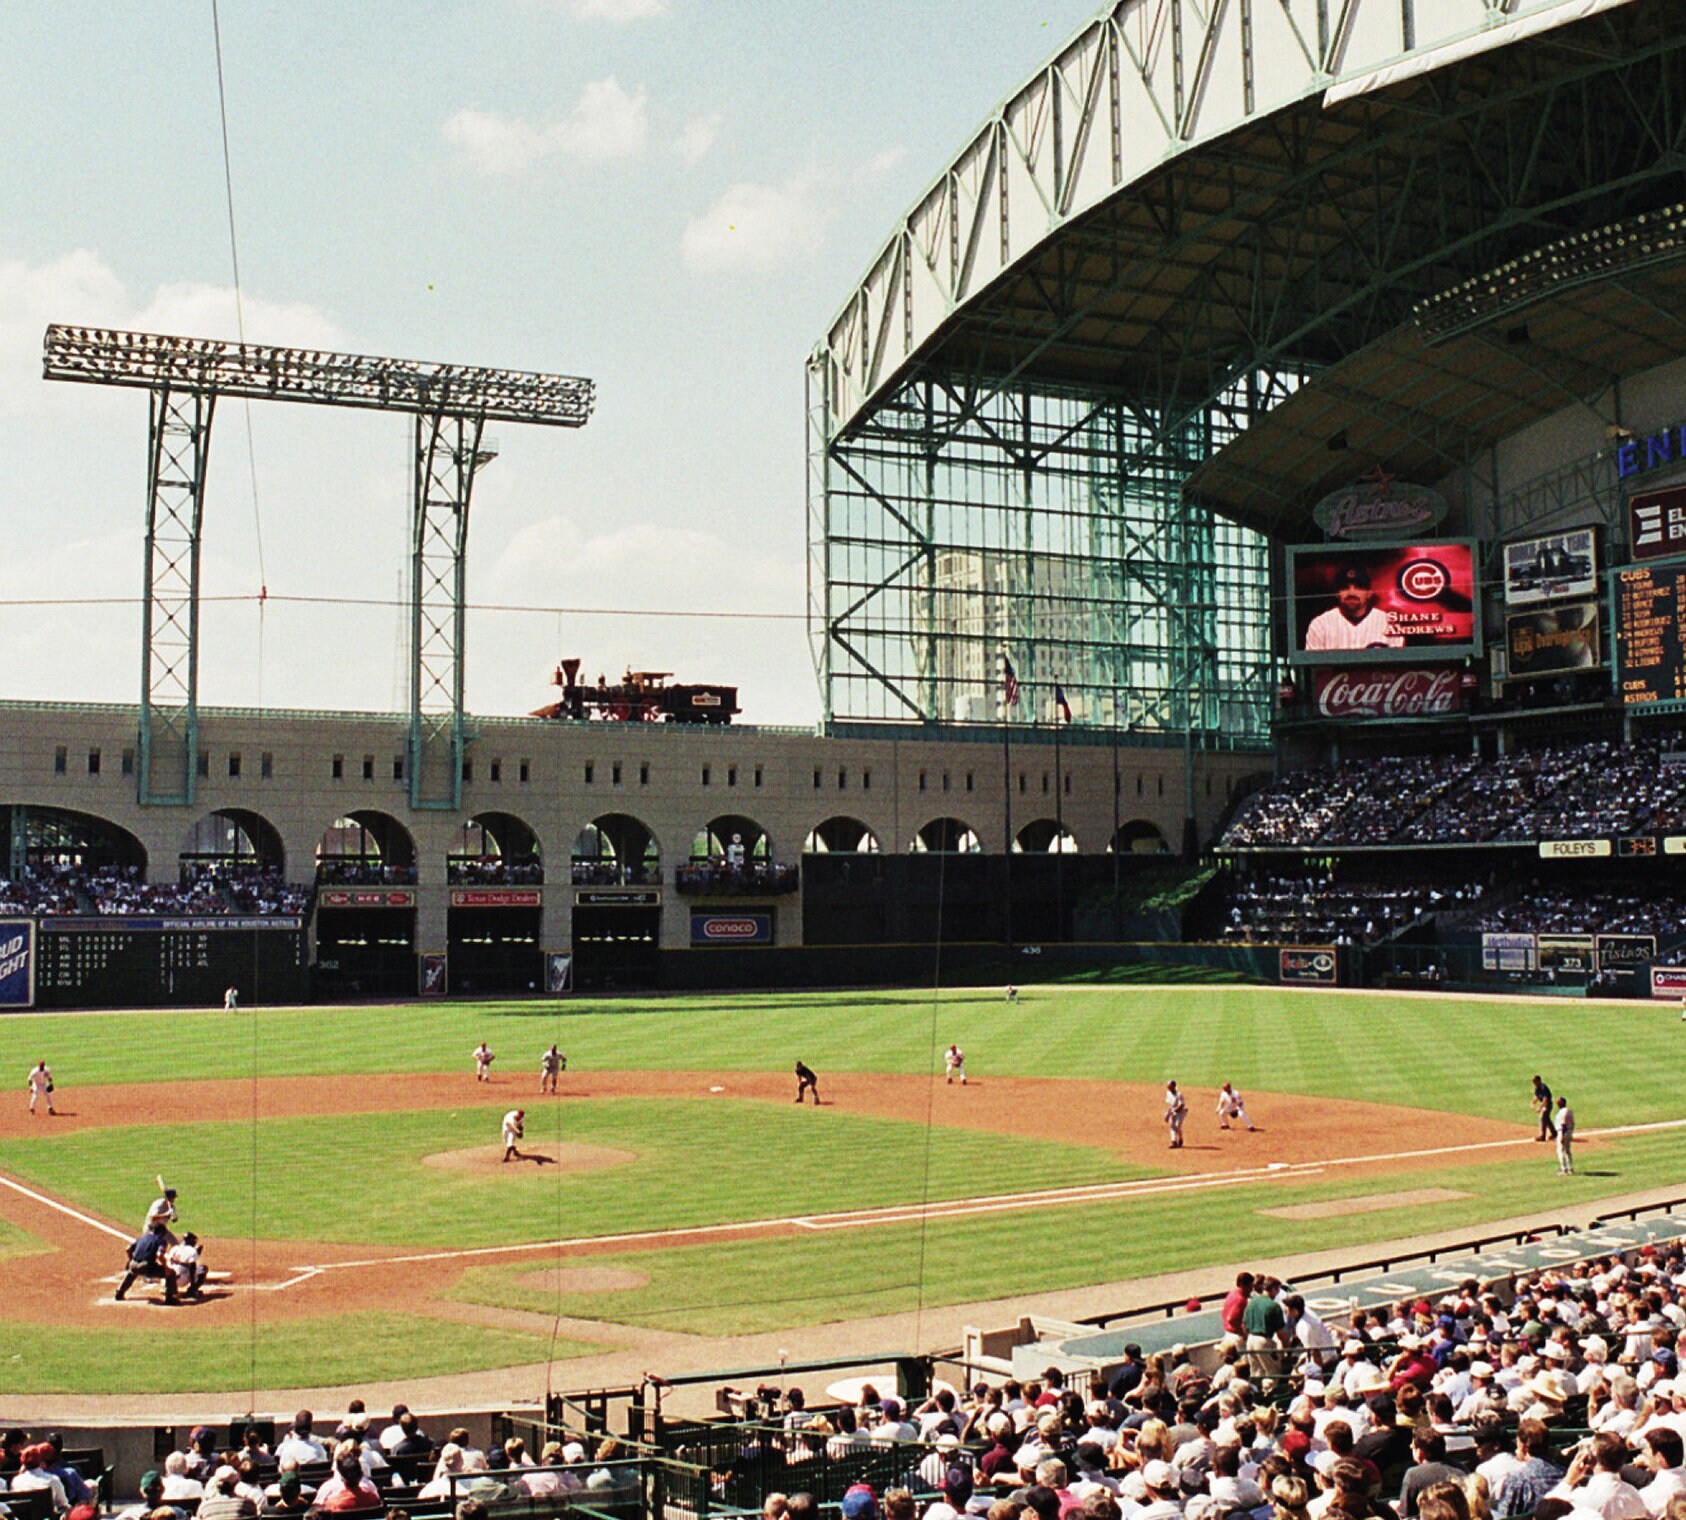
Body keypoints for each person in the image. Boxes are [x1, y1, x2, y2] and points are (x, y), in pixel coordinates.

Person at [1304, 565, 1403, 651]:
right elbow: (1314, 670)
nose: (1351, 593)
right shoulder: (1320, 624)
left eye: (1359, 587)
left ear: (1369, 593)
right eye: (1345, 588)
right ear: (1337, 594)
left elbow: (1399, 666)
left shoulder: (1388, 622)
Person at [115, 1227, 176, 1303]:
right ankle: (170, 1298)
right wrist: (166, 1267)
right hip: (146, 1266)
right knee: (171, 1273)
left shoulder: (142, 1238)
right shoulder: (161, 1240)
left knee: (132, 1272)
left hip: (134, 1264)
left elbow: (128, 1249)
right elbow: (159, 1255)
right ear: (163, 1233)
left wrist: (131, 1260)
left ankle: (119, 1292)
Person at [167, 1233, 208, 1298]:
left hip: (168, 1280)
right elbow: (192, 1266)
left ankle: (169, 1289)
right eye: (194, 1241)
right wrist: (193, 1283)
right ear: (191, 1241)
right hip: (181, 1280)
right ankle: (192, 1290)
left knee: (177, 1268)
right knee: (204, 1269)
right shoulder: (192, 1251)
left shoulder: (175, 1248)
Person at [1532, 1075, 1557, 1141]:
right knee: (1547, 1119)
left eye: (1535, 1082)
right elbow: (1536, 1096)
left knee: (1543, 1117)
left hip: (1548, 1105)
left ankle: (1542, 1136)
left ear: (1539, 1081)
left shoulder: (1544, 1088)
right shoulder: (1537, 1088)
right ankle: (1554, 1133)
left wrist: (1540, 1108)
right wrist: (1533, 1102)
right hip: (1544, 1105)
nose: (1534, 1084)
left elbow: (1545, 1100)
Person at [1164, 1080, 1188, 1149]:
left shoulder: (1179, 1095)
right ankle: (1173, 1141)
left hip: (1181, 1112)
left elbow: (1181, 1106)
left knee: (1177, 1126)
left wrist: (1173, 1110)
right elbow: (1169, 1105)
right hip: (1173, 1111)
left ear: (1174, 1087)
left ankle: (1180, 1138)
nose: (1168, 1088)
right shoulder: (1168, 1093)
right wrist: (1168, 1113)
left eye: (1170, 1087)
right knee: (1172, 1126)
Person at [1555, 1095, 1575, 1175]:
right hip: (1569, 1131)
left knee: (1560, 1150)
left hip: (1563, 1131)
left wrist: (1562, 1135)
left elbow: (1563, 1124)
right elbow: (1573, 1124)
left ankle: (1563, 1169)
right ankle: (1570, 1168)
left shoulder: (1563, 1112)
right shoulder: (1569, 1111)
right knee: (1567, 1151)